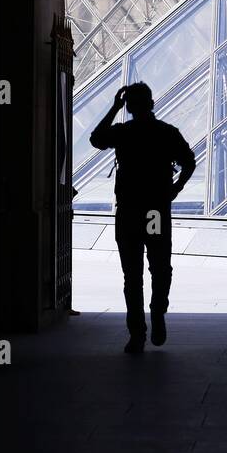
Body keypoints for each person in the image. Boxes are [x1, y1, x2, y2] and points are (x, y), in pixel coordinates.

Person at [89, 82, 195, 353]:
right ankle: (158, 311)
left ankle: (137, 334)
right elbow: (189, 161)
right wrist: (175, 188)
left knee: (132, 275)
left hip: (128, 210)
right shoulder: (167, 133)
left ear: (130, 106)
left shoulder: (124, 132)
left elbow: (96, 138)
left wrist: (114, 106)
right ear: (152, 103)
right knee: (160, 266)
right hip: (154, 210)